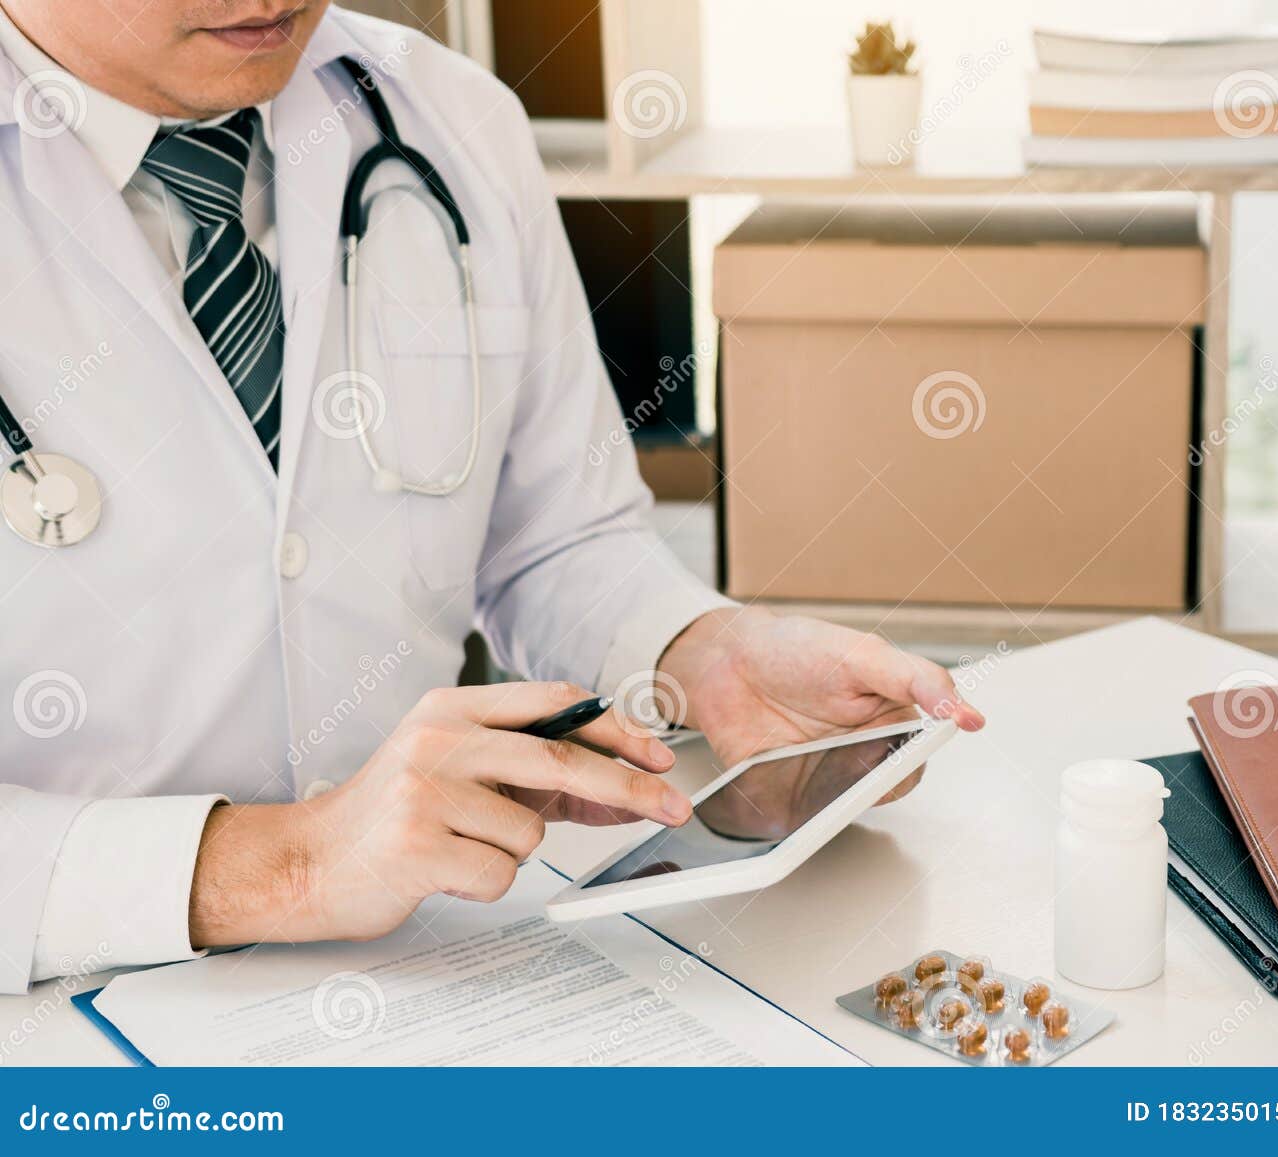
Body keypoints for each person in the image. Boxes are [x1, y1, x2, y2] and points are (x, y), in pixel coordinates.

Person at [0, 0, 984, 995]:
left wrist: (705, 652)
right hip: (61, 1003)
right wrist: (282, 865)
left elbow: (553, 538)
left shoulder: (449, 116)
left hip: (429, 964)